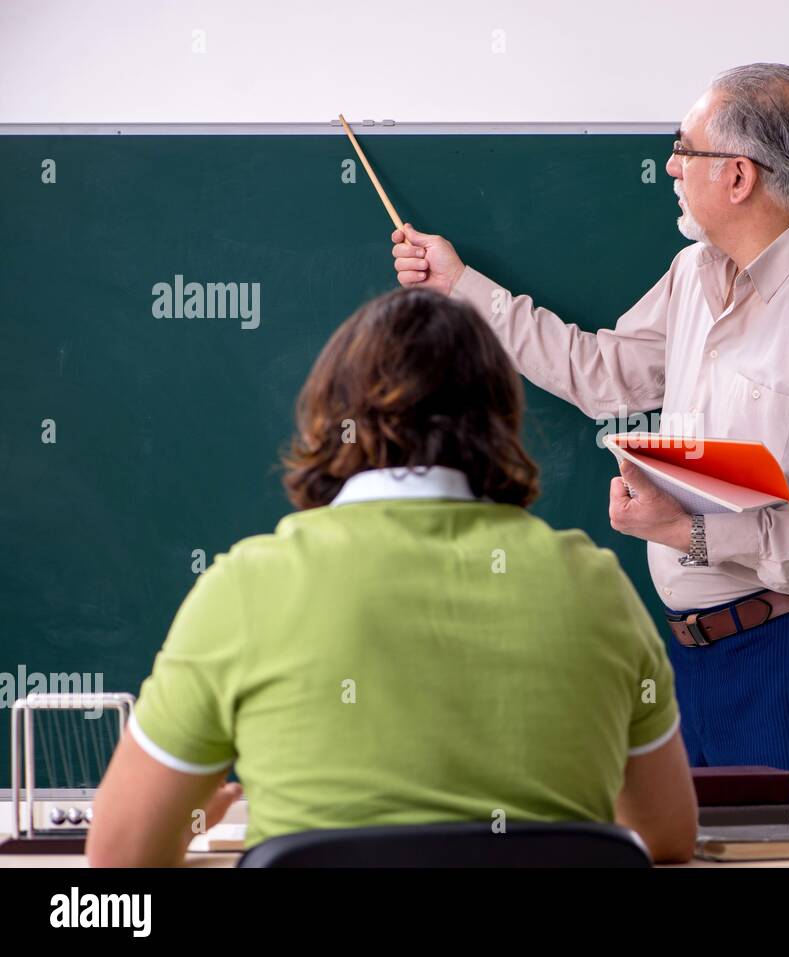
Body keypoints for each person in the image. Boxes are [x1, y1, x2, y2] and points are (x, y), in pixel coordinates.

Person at [391, 63, 789, 837]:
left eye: (684, 149)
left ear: (737, 176)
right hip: (691, 658)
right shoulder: (694, 275)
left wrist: (693, 530)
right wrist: (461, 285)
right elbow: (602, 373)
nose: (669, 166)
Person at [88, 287, 697, 866]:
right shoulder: (595, 588)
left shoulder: (246, 587)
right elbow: (665, 835)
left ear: (330, 414)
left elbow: (118, 854)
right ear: (500, 420)